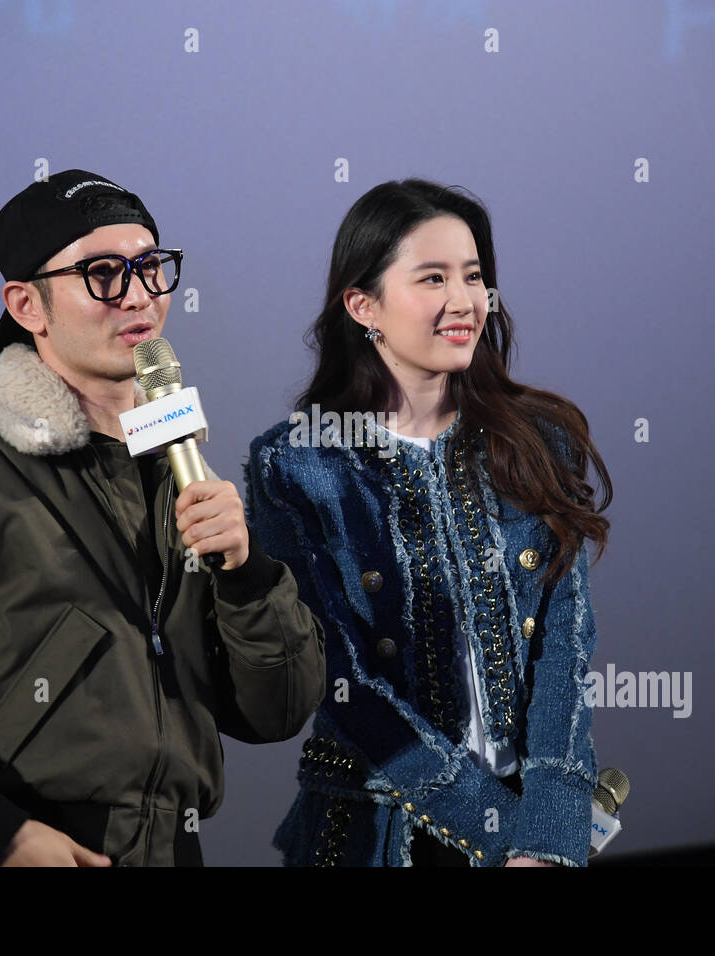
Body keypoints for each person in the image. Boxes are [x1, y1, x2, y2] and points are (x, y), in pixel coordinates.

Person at [0, 169, 326, 867]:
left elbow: (276, 714)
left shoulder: (181, 471)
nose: (139, 295)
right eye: (103, 274)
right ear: (27, 305)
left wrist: (247, 575)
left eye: (151, 267)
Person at [245, 178, 612, 867]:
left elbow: (566, 651)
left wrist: (551, 836)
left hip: (536, 841)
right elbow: (344, 683)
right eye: (433, 278)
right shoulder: (296, 464)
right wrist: (500, 832)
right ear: (363, 306)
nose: (464, 301)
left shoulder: (539, 439)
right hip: (370, 839)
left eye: (474, 277)